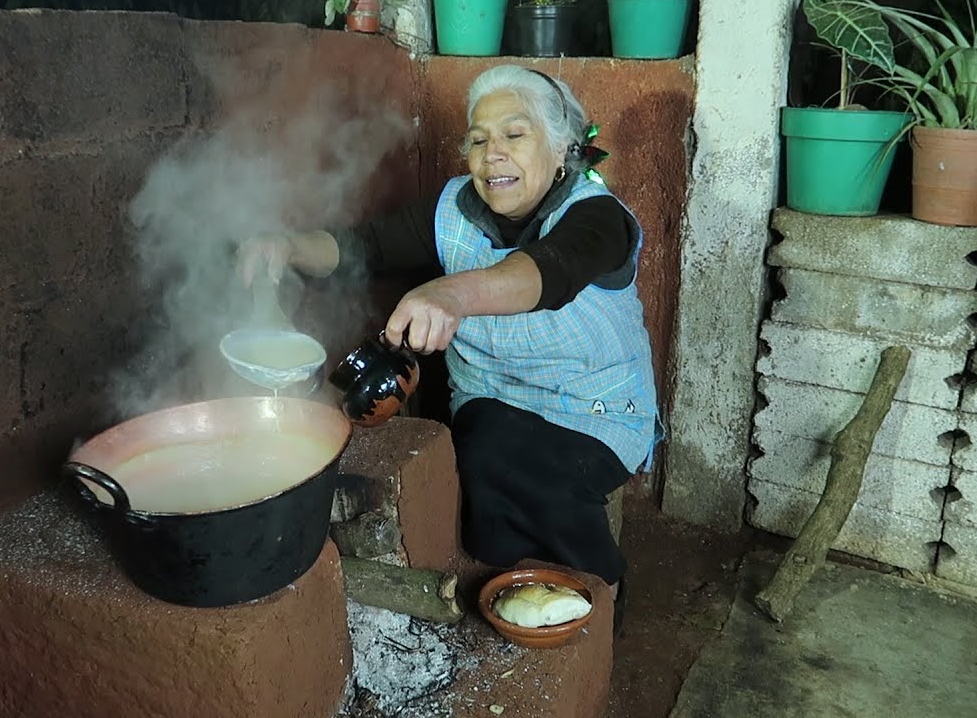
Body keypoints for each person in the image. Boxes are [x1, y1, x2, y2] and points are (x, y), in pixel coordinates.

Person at [240, 65, 663, 624]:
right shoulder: (453, 209)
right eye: (479, 140)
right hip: (490, 401)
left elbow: (547, 272)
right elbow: (362, 247)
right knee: (485, 464)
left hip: (594, 410)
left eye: (515, 135)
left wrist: (453, 295)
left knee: (510, 461)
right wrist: (289, 247)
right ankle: (519, 578)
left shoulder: (597, 217)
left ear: (562, 148)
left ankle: (604, 583)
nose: (493, 155)